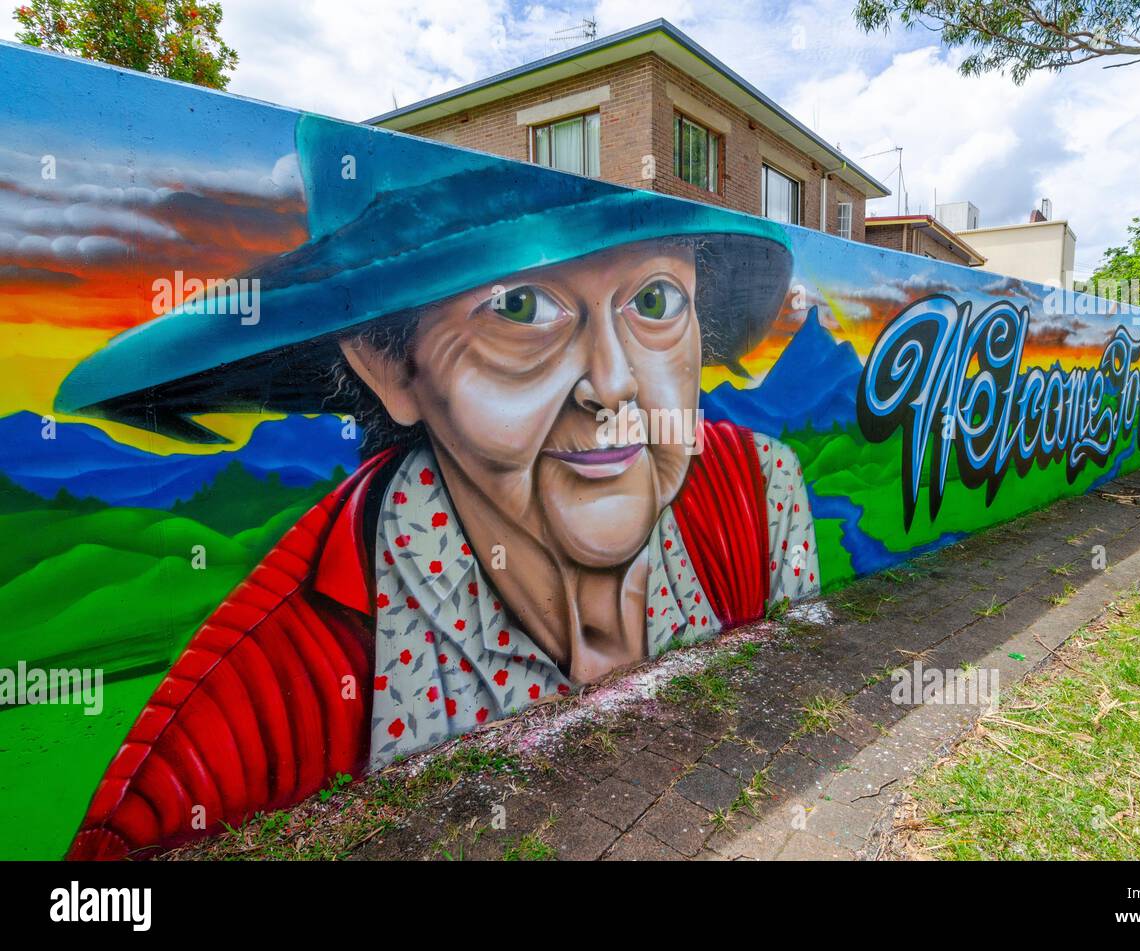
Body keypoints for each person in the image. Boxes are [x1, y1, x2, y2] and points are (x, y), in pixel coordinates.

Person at [56, 115, 819, 859]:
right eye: (520, 307)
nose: (613, 383)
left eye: (655, 301)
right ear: (390, 367)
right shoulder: (211, 753)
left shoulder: (759, 492)